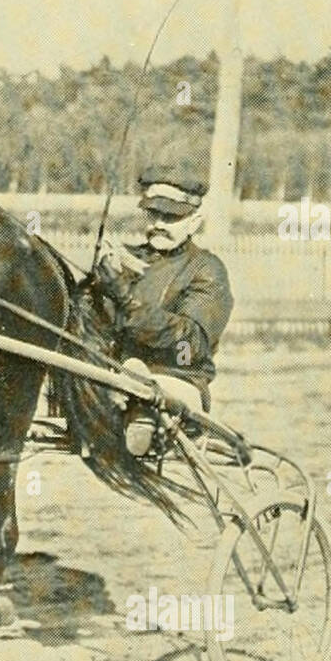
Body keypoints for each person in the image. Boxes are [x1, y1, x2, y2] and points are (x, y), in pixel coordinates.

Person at [92, 166, 234, 456]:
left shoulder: (207, 270)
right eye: (153, 215)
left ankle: (139, 409)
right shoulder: (127, 259)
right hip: (116, 376)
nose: (158, 224)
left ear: (195, 222)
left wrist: (124, 299)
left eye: (170, 217)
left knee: (138, 382)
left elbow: (187, 344)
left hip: (177, 379)